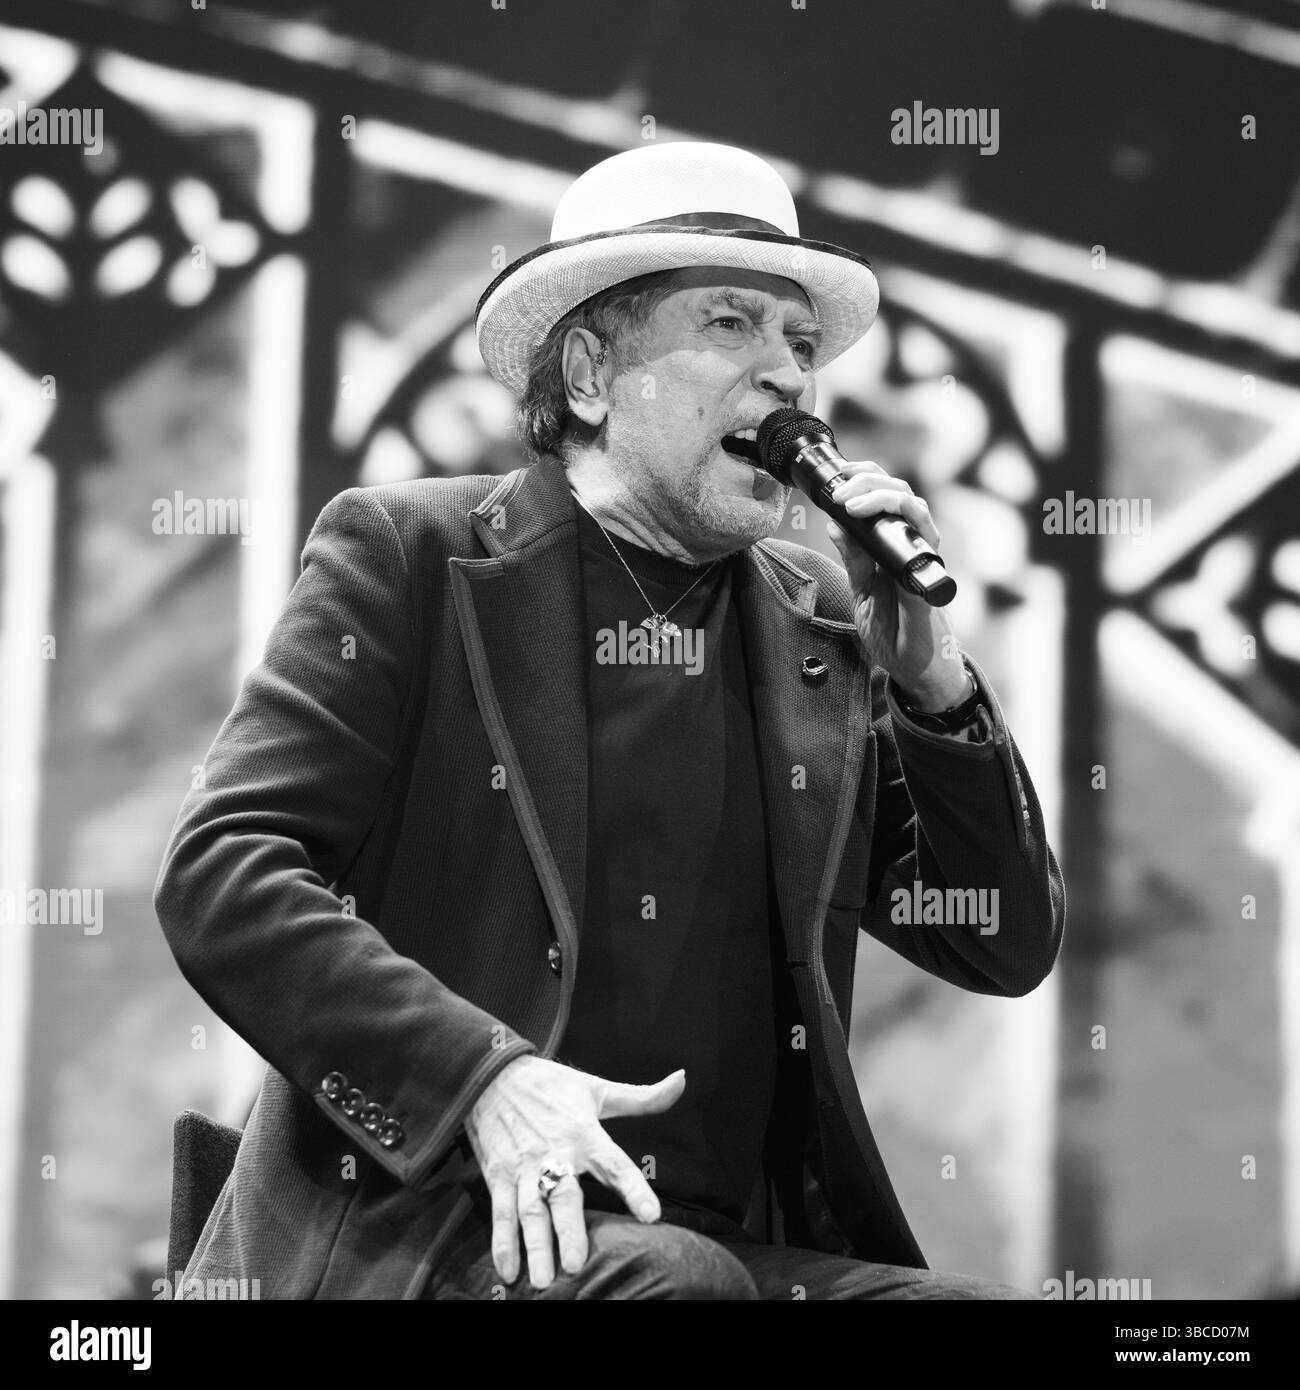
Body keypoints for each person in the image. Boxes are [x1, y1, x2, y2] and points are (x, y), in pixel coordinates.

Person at [155, 141, 1065, 1300]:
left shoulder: (815, 625)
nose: (786, 375)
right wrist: (481, 1078)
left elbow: (996, 942)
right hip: (434, 1219)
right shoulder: (411, 556)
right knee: (677, 1287)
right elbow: (223, 872)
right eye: (731, 325)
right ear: (589, 370)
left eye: (798, 343)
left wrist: (937, 689)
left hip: (720, 1238)